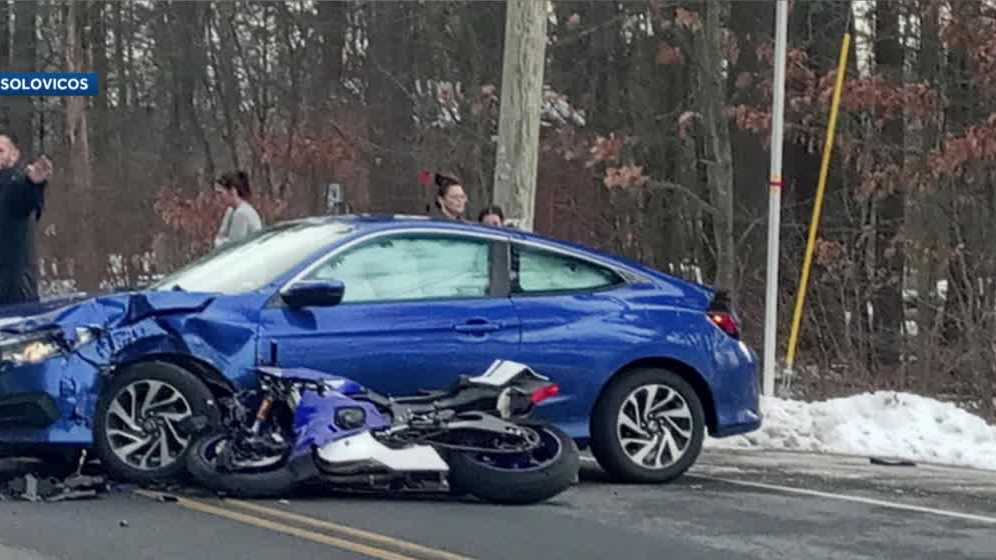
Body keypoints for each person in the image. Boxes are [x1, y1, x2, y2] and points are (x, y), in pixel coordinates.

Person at [0, 134, 53, 306]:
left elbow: (23, 196)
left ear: (14, 155)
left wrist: (32, 183)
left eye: (0, 151)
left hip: (14, 294)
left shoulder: (13, 184)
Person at [213, 170, 262, 248]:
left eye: (220, 193)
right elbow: (220, 236)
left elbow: (233, 246)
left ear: (232, 191)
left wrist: (222, 242)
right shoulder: (231, 211)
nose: (218, 197)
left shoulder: (242, 213)